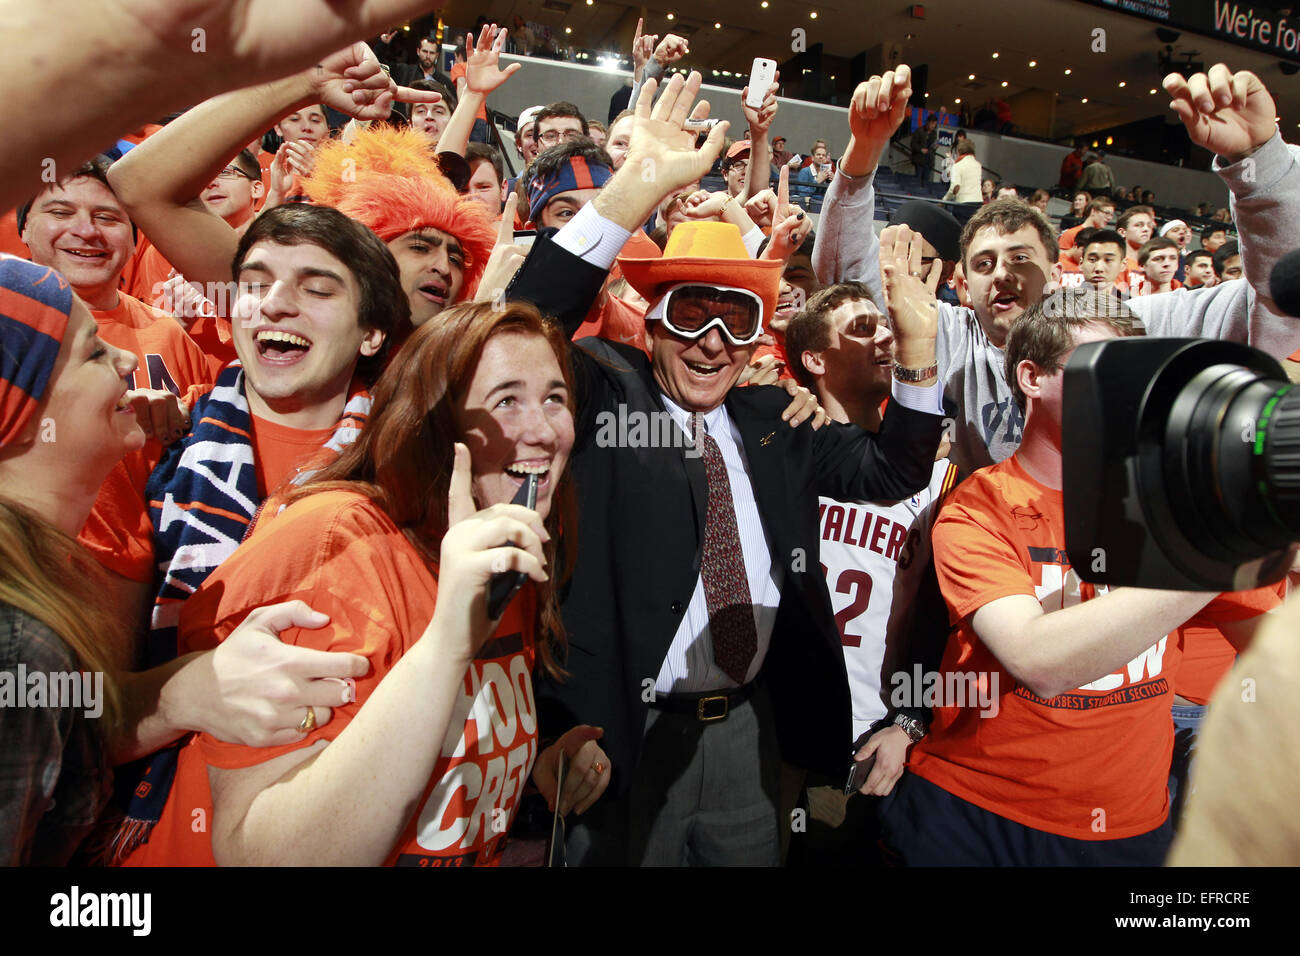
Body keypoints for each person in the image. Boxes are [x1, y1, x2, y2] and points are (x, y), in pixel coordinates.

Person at [506, 71, 948, 866]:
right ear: (652, 324)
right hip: (621, 737)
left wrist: (917, 351)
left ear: (755, 340)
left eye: (735, 319)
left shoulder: (776, 417)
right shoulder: (606, 388)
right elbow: (527, 321)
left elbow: (896, 472)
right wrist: (633, 190)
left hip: (751, 733)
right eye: (690, 314)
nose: (712, 340)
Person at [121, 299, 612, 866]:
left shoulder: (495, 542)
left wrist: (525, 769)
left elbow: (419, 755)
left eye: (555, 398)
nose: (544, 430)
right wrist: (448, 641)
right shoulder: (335, 544)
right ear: (435, 426)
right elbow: (270, 856)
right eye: (506, 401)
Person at [879, 288, 1280, 866]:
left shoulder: (1170, 502)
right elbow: (1039, 661)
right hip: (977, 811)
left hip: (1130, 825)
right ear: (1031, 377)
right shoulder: (979, 506)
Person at [814, 61, 1300, 478]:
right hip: (987, 544)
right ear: (962, 285)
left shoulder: (1125, 326)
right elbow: (844, 274)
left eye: (1021, 258)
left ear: (1056, 271)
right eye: (984, 263)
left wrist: (1260, 165)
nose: (1003, 272)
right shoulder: (949, 334)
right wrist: (864, 151)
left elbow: (1277, 304)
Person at [783, 279, 959, 864]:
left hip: (874, 741)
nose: (886, 335)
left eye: (886, 324)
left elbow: (943, 623)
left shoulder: (940, 473)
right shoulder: (778, 446)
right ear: (814, 359)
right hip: (779, 728)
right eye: (863, 327)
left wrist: (911, 721)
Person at [1079, 229, 1127, 294]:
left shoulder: (1129, 303)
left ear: (1123, 265)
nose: (1099, 268)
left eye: (1108, 260)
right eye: (1092, 260)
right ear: (1081, 263)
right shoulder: (1064, 302)